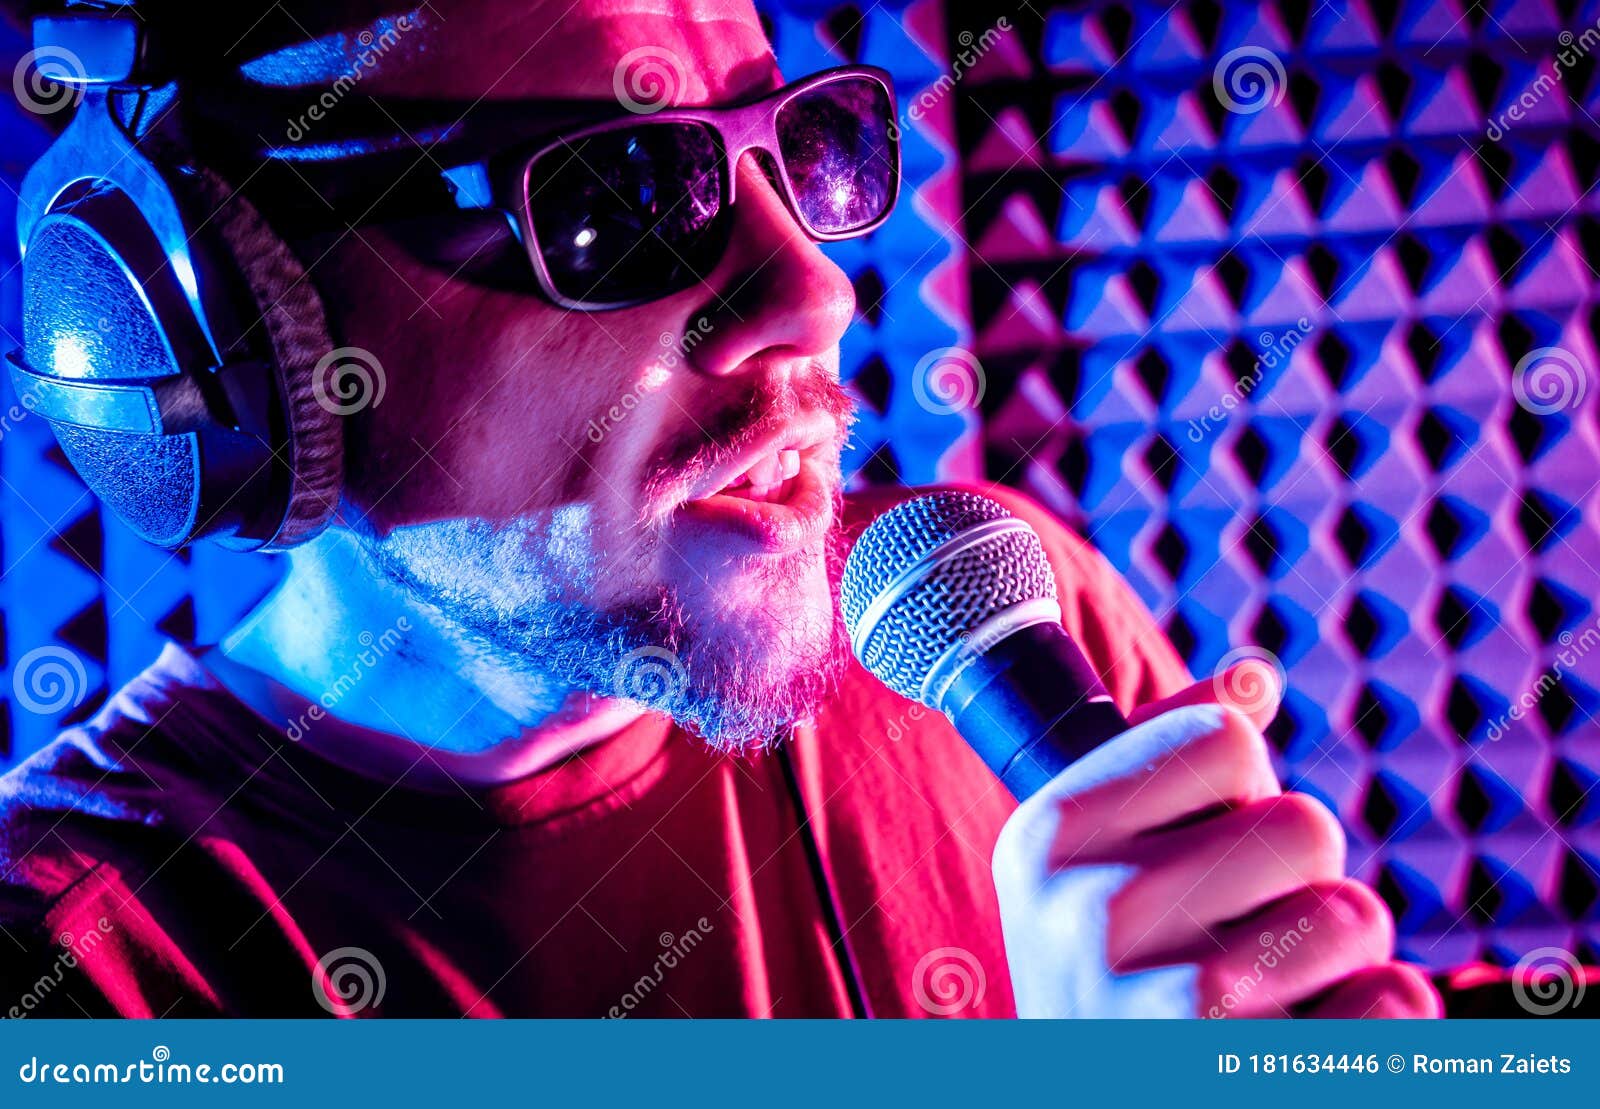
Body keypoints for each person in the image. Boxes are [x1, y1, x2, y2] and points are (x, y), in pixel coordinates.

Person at [0, 0, 1439, 1018]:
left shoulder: (990, 609)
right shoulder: (85, 974)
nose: (817, 289)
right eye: (619, 194)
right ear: (237, 334)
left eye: (800, 151)